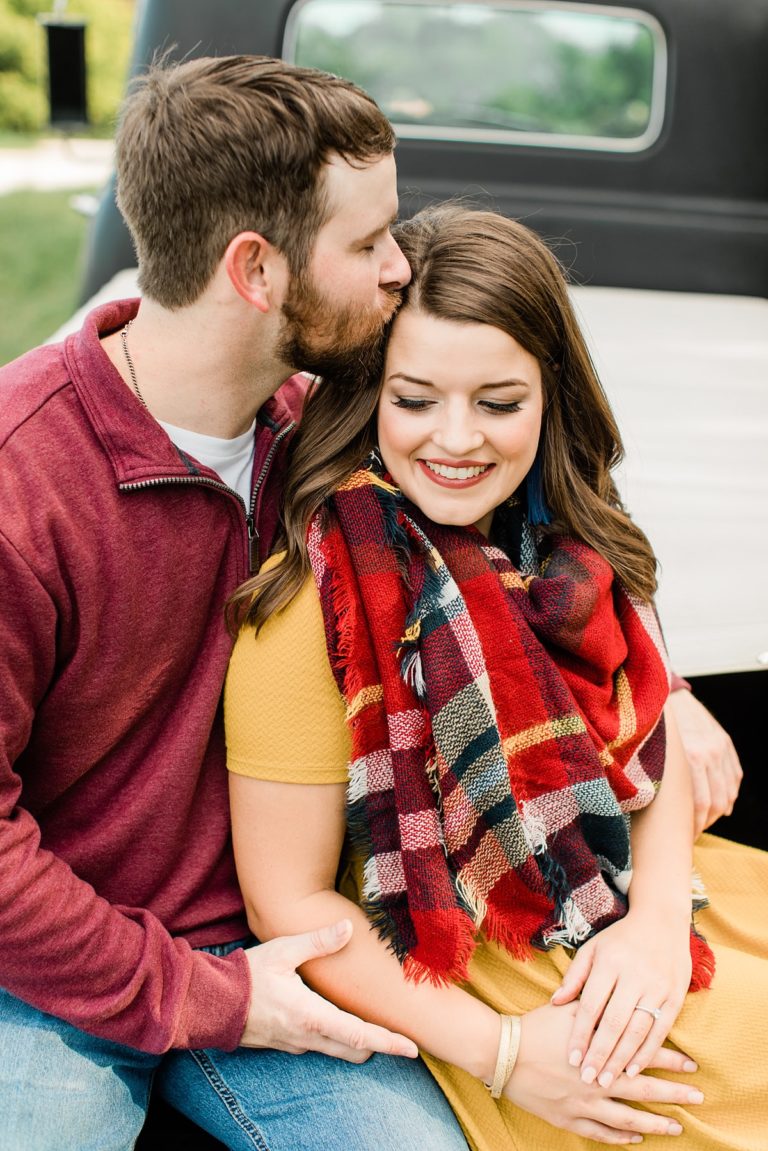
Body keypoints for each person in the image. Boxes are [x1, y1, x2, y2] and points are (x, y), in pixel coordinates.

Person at [0, 56, 473, 1151]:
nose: (402, 267)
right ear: (255, 270)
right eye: (368, 244)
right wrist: (214, 997)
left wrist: (668, 688)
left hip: (280, 943)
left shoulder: (327, 427)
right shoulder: (23, 485)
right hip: (46, 970)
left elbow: (522, 551)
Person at [225, 205, 768, 1149]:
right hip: (481, 971)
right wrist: (512, 1053)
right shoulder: (319, 602)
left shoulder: (562, 543)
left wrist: (652, 929)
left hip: (650, 899)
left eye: (498, 401)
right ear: (367, 395)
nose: (457, 437)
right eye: (416, 398)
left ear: (551, 396)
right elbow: (289, 904)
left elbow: (652, 728)